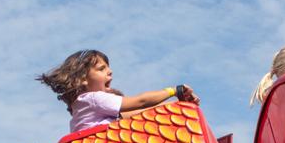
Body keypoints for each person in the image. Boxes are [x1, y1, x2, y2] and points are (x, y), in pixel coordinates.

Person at [37, 50, 199, 134]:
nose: (110, 72)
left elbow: (139, 112)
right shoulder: (93, 99)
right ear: (82, 79)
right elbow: (140, 101)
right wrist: (174, 91)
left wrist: (178, 106)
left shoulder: (88, 106)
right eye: (102, 69)